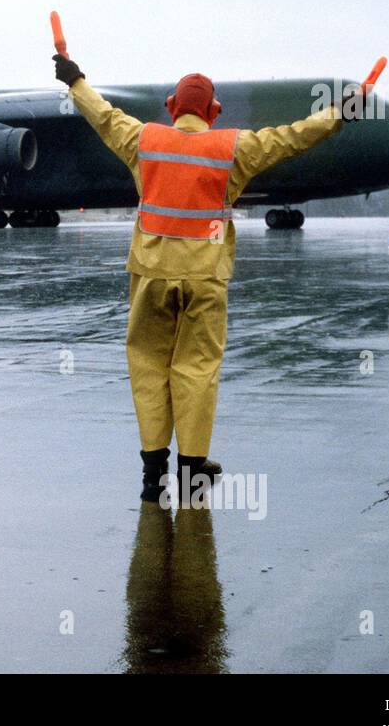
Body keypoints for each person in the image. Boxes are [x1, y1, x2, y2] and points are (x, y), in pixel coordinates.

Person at [53, 55, 361, 502]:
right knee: (197, 369)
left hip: (151, 273)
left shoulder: (144, 139)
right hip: (205, 277)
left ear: (172, 105)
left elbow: (102, 114)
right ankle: (193, 471)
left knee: (148, 365)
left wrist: (75, 80)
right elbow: (295, 137)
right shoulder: (235, 147)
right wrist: (340, 113)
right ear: (214, 111)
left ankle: (152, 474)